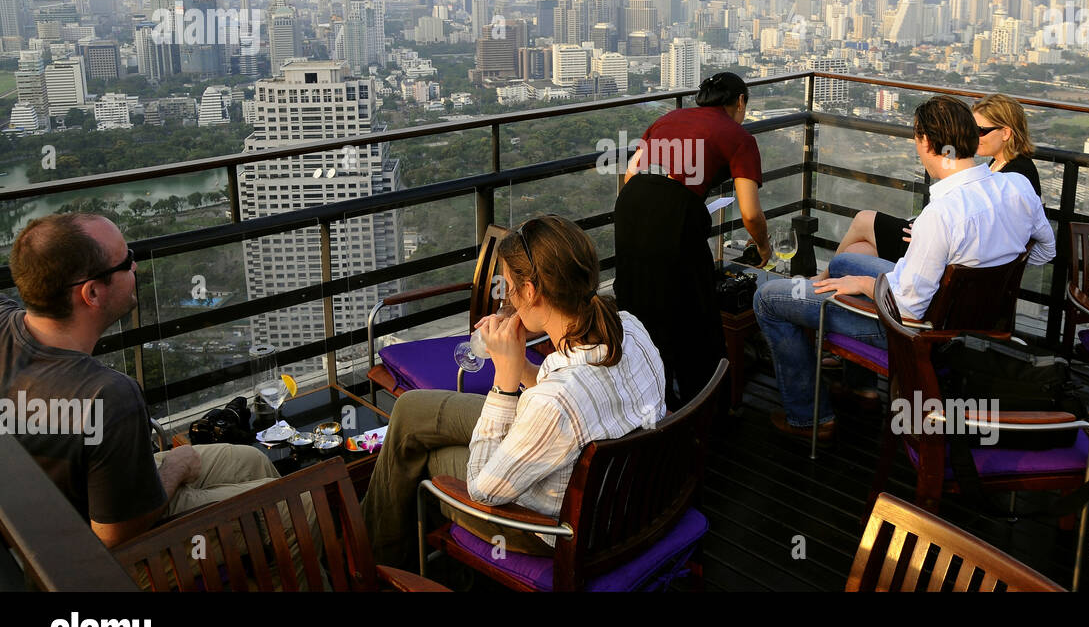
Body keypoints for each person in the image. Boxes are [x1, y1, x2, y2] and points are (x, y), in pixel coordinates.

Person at [0, 213, 310, 565]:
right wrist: (175, 468)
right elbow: (117, 535)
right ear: (92, 293)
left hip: (58, 504)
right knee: (299, 504)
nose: (135, 268)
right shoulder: (107, 395)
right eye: (125, 262)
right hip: (90, 553)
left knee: (252, 461)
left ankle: (262, 559)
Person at [361, 215, 667, 571]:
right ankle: (372, 541)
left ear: (531, 292)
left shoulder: (553, 402)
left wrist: (505, 383)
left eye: (509, 286)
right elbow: (575, 403)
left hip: (547, 526)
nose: (506, 297)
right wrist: (519, 364)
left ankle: (373, 563)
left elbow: (481, 488)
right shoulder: (629, 327)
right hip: (615, 483)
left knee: (427, 458)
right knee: (412, 410)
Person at [754, 96, 1055, 441]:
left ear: (926, 142)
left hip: (918, 335)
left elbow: (907, 312)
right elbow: (1046, 248)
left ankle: (810, 418)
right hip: (969, 324)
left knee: (768, 298)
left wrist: (866, 286)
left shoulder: (941, 214)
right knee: (840, 263)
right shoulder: (1017, 187)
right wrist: (989, 282)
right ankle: (859, 388)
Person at [614, 71, 770, 408]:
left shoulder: (668, 118)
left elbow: (630, 174)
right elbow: (751, 214)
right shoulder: (738, 136)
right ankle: (704, 412)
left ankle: (650, 403)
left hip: (630, 207)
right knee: (696, 314)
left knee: (639, 309)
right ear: (740, 102)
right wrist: (764, 246)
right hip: (675, 214)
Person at [834, 93, 1040, 263]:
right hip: (955, 254)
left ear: (1005, 133)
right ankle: (824, 285)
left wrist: (931, 232)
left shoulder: (1018, 177)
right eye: (972, 129)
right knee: (857, 250)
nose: (974, 136)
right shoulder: (1001, 167)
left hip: (950, 255)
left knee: (863, 222)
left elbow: (989, 230)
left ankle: (820, 287)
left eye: (980, 131)